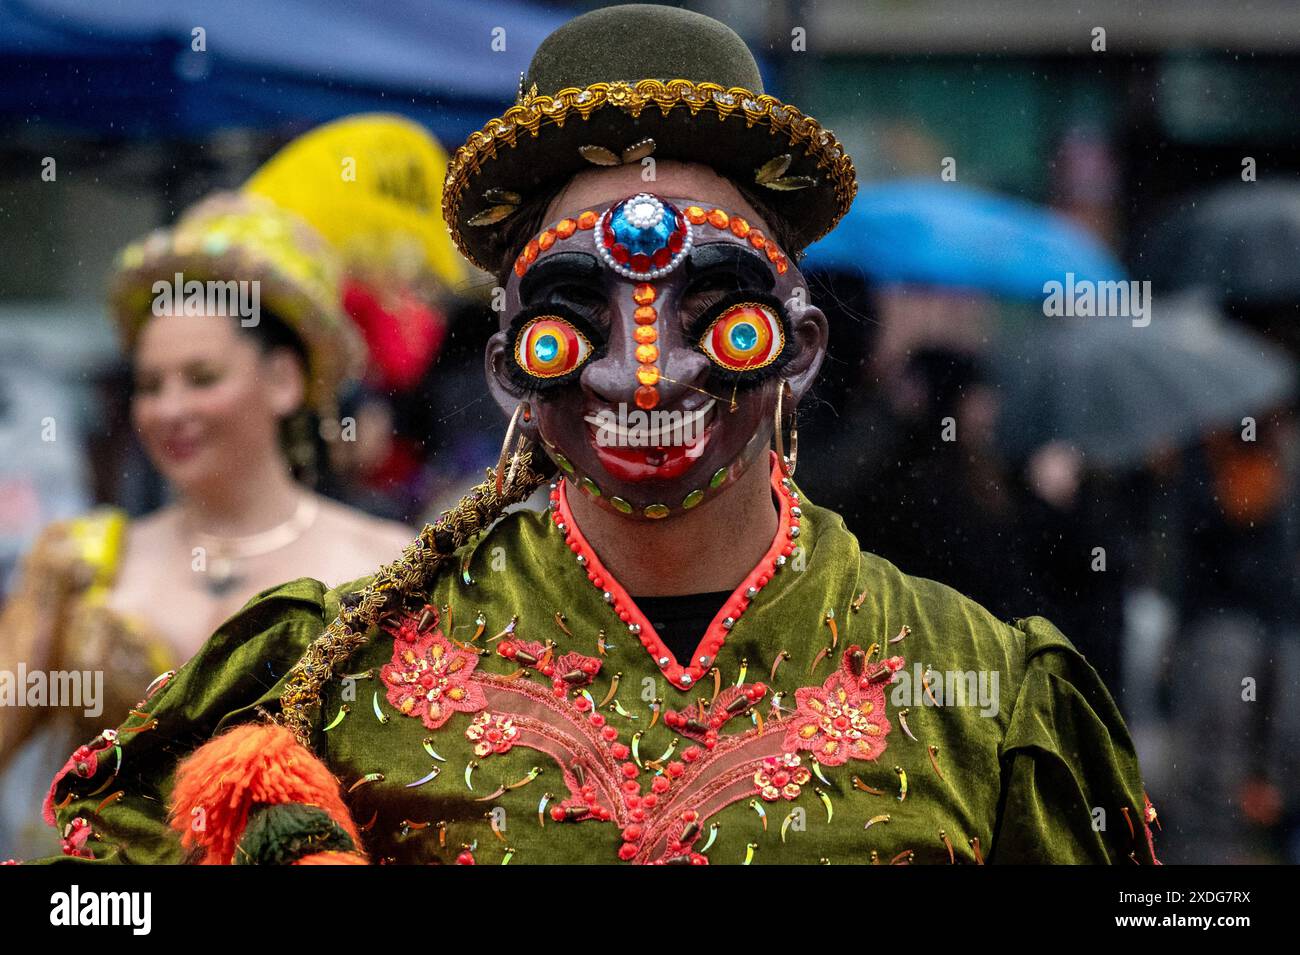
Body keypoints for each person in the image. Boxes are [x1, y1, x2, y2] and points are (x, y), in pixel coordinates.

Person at [34, 4, 1158, 865]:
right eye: (575, 324)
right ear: (509, 364)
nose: (642, 372)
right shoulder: (325, 680)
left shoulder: (984, 695)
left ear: (802, 346)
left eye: (714, 310)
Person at [0, 145, 415, 856]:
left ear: (284, 381)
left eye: (201, 377)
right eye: (151, 384)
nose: (169, 409)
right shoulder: (77, 562)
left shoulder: (390, 564)